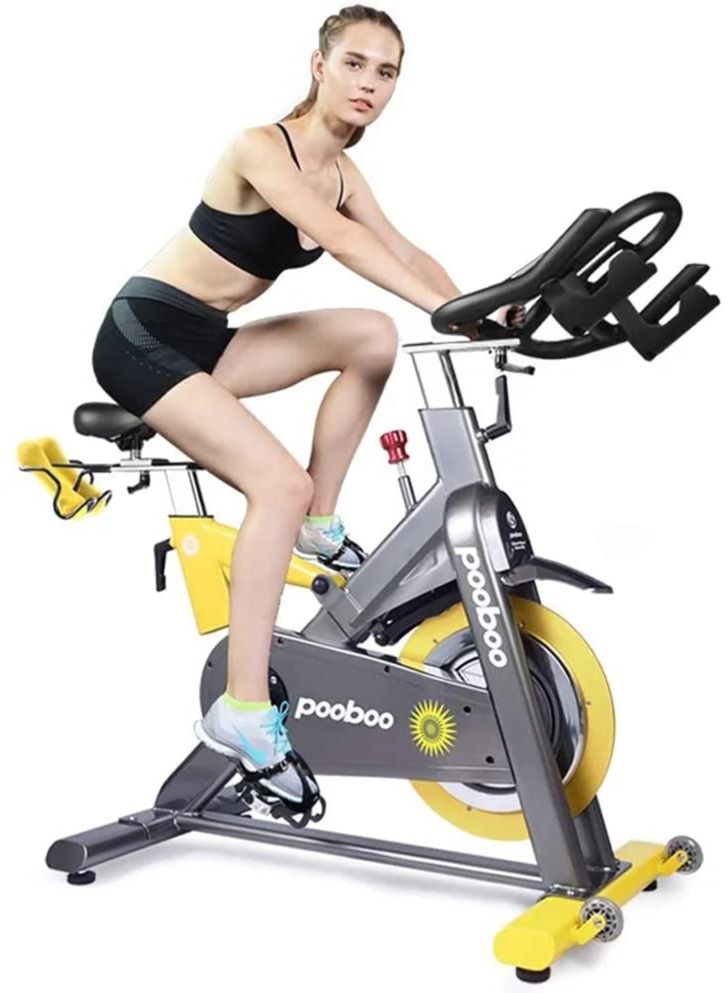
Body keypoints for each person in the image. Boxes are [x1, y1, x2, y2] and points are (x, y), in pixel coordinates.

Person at [91, 5, 524, 808]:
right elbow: (345, 241)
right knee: (276, 486)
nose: (369, 84)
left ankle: (320, 524)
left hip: (210, 342)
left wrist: (480, 308)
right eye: (355, 64)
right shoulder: (260, 147)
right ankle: (243, 710)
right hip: (141, 335)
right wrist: (443, 308)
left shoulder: (346, 172)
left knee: (373, 336)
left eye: (386, 72)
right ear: (319, 66)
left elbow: (401, 249)